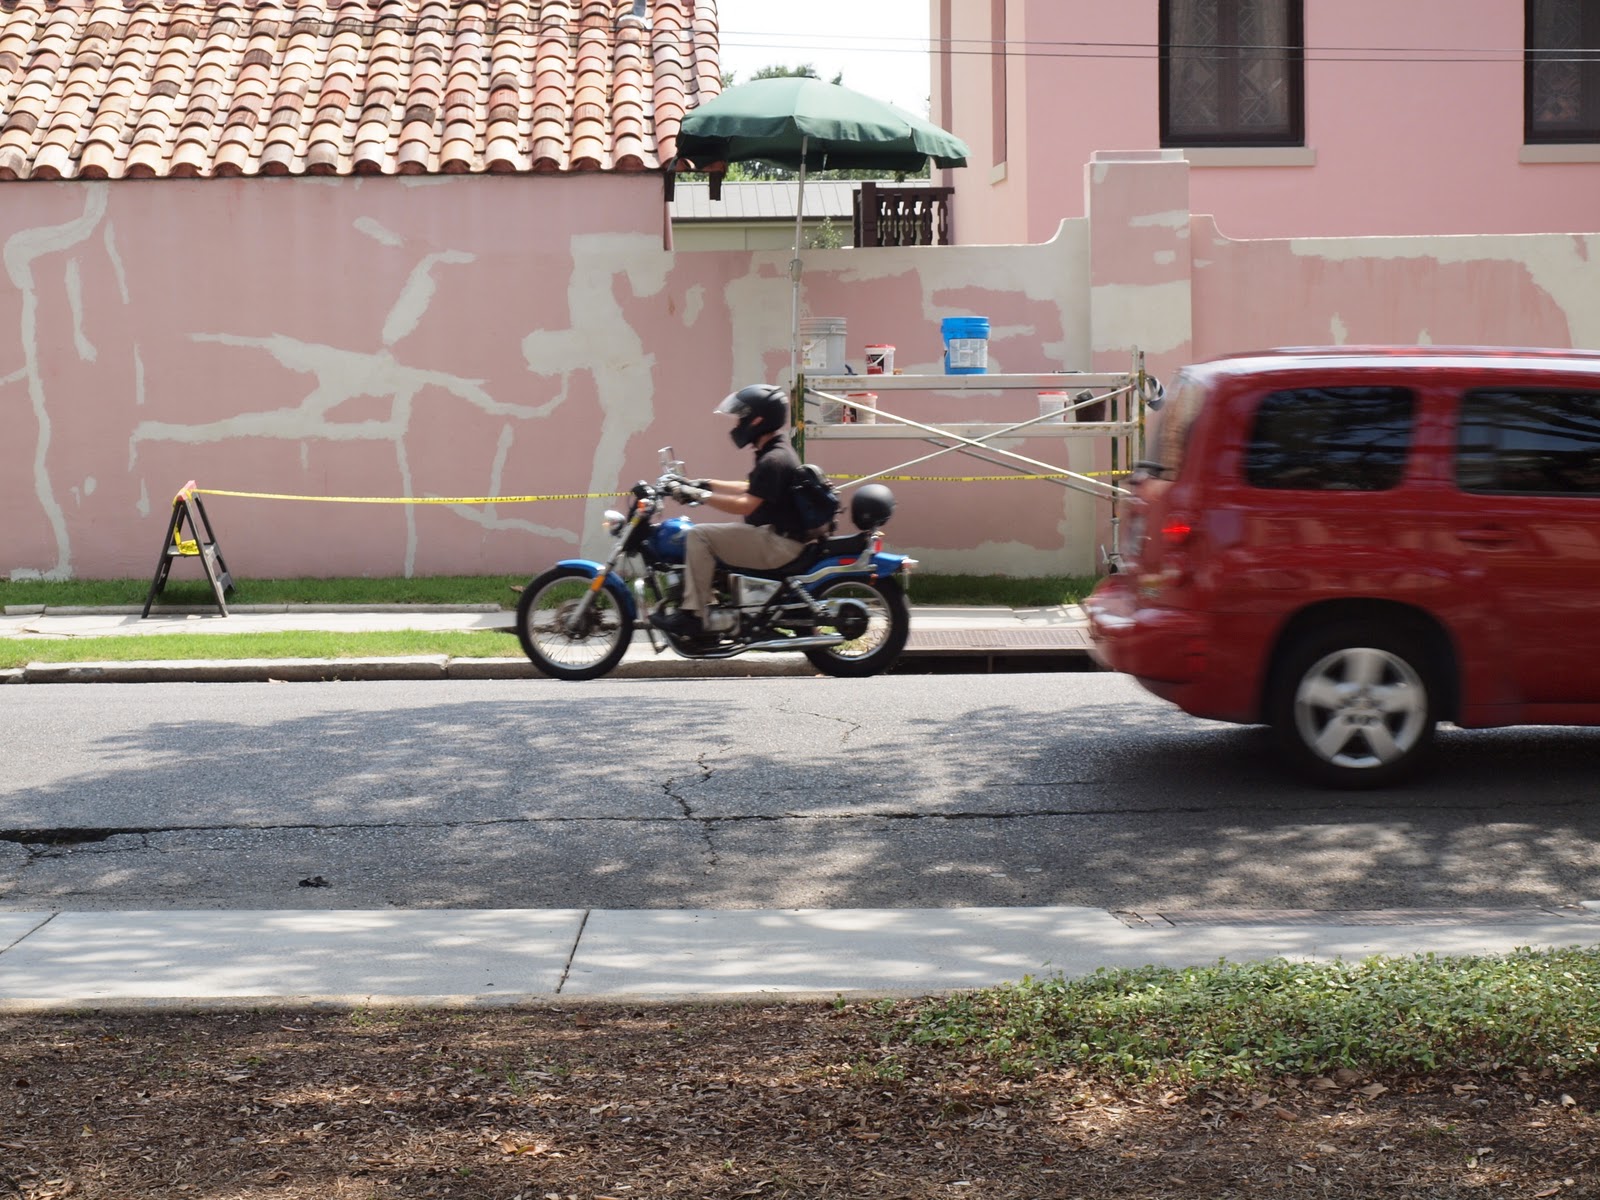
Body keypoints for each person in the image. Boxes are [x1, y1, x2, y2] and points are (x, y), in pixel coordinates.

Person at [652, 384, 808, 639]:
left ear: (758, 419)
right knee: (708, 538)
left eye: (742, 417)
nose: (738, 423)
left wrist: (700, 496)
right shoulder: (774, 452)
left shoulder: (774, 459)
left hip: (777, 542)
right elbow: (750, 487)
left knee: (699, 536)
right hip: (776, 537)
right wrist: (704, 484)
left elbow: (747, 503)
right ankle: (713, 602)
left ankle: (693, 615)